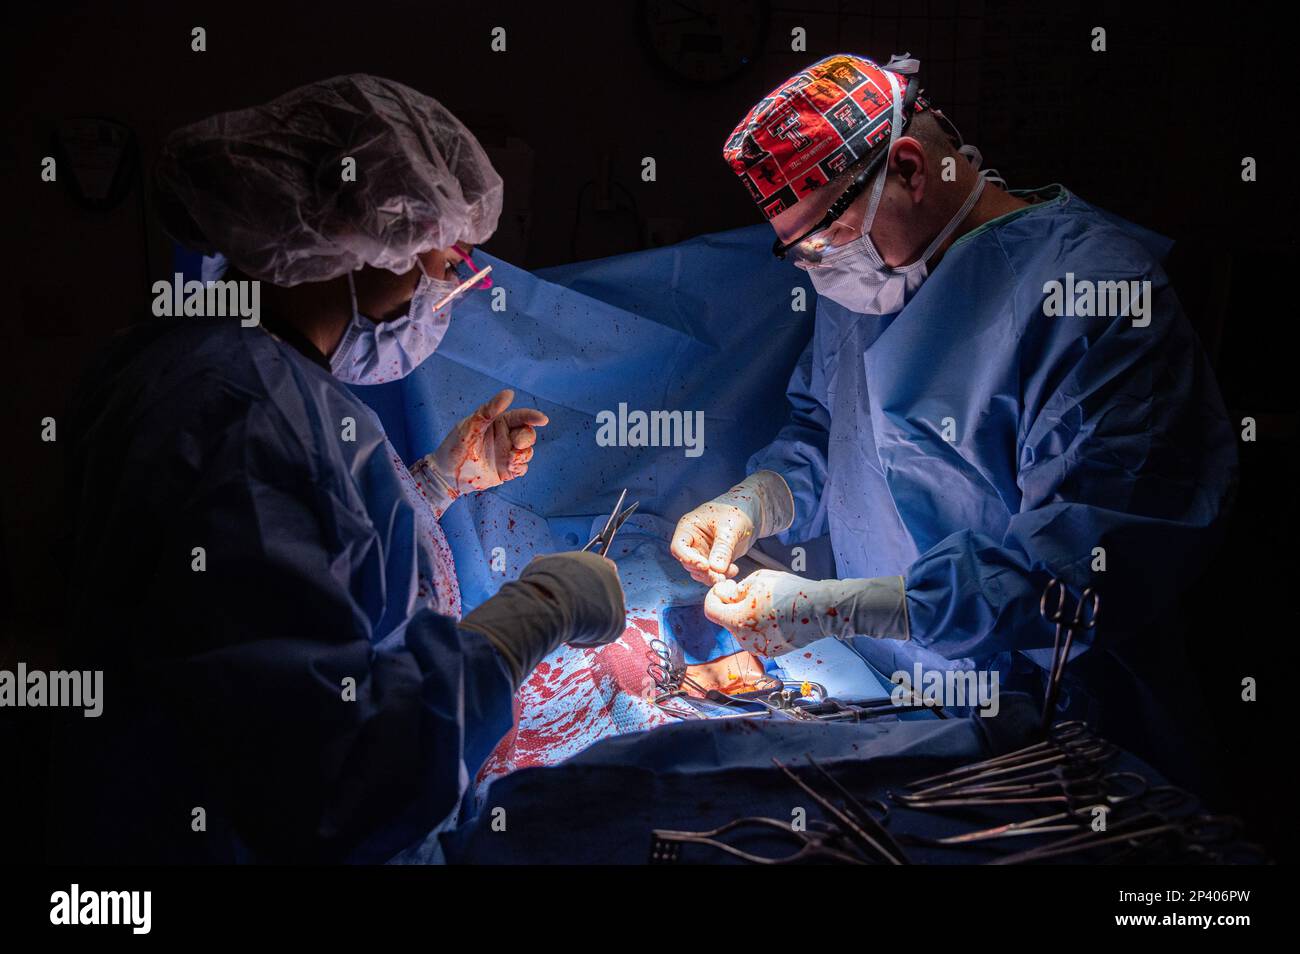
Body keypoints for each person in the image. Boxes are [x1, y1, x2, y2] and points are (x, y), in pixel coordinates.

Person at [49, 75, 625, 863]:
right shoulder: (247, 415)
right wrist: (532, 617)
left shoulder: (215, 364)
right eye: (443, 254)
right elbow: (332, 780)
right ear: (360, 237)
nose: (448, 282)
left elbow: (304, 570)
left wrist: (434, 484)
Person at [671, 53, 1236, 778]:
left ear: (909, 168)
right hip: (889, 691)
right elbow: (825, 431)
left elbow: (1082, 569)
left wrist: (846, 606)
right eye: (798, 252)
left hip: (1057, 728)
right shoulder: (867, 281)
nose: (819, 268)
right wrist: (755, 502)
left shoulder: (1096, 300)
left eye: (826, 241)